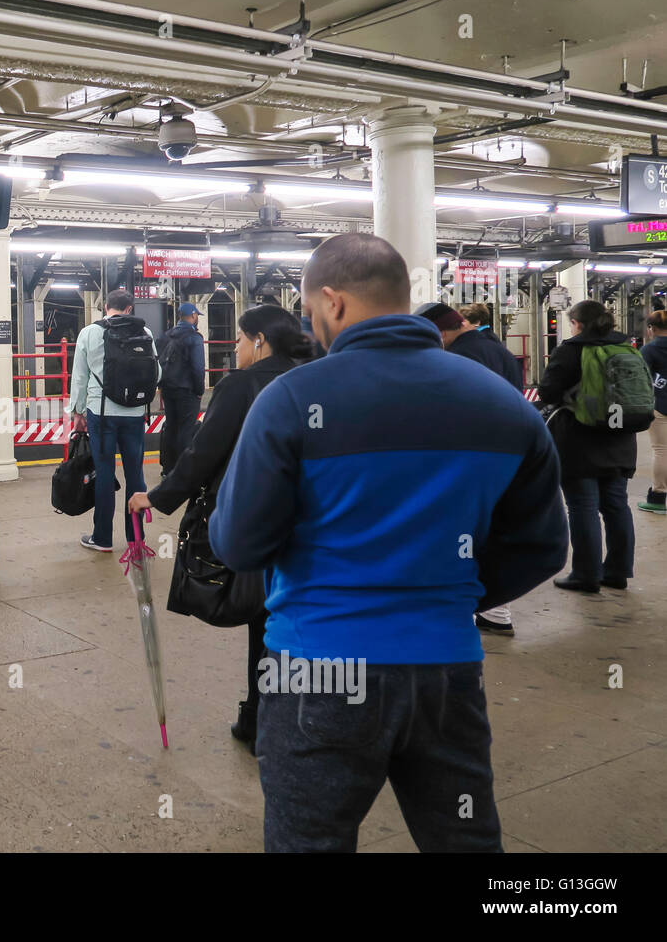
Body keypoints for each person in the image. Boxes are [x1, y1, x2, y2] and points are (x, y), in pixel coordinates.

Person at [211, 233, 567, 852]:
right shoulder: (505, 406)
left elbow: (240, 544)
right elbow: (542, 546)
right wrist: (452, 593)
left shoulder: (291, 400)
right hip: (447, 669)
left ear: (333, 301)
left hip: (317, 669)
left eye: (310, 308)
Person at [128, 305, 313, 753]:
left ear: (260, 341)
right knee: (298, 621)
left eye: (241, 339)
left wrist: (156, 497)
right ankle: (295, 715)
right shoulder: (314, 380)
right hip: (312, 523)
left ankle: (260, 719)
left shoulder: (242, 386)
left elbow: (202, 453)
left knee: (263, 621)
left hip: (258, 521)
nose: (236, 348)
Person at [417, 302, 526, 636]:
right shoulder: (500, 351)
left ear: (440, 332)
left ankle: (461, 608)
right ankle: (497, 612)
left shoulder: (460, 357)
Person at [538, 300, 640, 593]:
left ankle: (586, 575)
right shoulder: (626, 348)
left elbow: (547, 392)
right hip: (621, 436)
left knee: (582, 506)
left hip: (579, 438)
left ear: (578, 324)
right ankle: (618, 572)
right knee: (617, 505)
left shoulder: (570, 351)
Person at [69, 288, 160, 552]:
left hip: (102, 413)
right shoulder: (146, 333)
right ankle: (136, 538)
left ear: (105, 306)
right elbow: (158, 371)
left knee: (105, 474)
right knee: (136, 475)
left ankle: (103, 538)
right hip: (134, 413)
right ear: (130, 308)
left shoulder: (90, 333)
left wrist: (78, 412)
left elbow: (80, 377)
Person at [157, 302, 206, 478]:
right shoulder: (194, 338)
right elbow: (198, 368)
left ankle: (167, 470)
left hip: (167, 389)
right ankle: (183, 473)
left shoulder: (166, 336)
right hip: (188, 391)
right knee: (186, 429)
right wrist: (199, 389)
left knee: (171, 427)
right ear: (193, 316)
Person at [638, 309, 667, 514]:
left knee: (661, 450)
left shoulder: (649, 350)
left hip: (660, 406)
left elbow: (640, 380)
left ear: (651, 329)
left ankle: (658, 497)